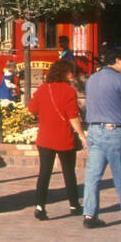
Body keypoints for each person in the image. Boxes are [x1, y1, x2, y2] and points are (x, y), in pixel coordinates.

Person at [81, 44, 121, 227]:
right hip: (115, 131)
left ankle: (90, 215)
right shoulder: (120, 80)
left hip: (94, 130)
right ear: (117, 61)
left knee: (93, 175)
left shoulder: (92, 79)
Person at [28, 58, 87, 220]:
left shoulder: (42, 89)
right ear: (63, 72)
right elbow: (73, 117)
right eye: (70, 71)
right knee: (69, 173)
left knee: (44, 173)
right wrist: (82, 135)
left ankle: (40, 207)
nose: (73, 74)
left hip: (45, 138)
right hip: (63, 138)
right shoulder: (68, 91)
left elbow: (31, 109)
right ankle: (74, 205)